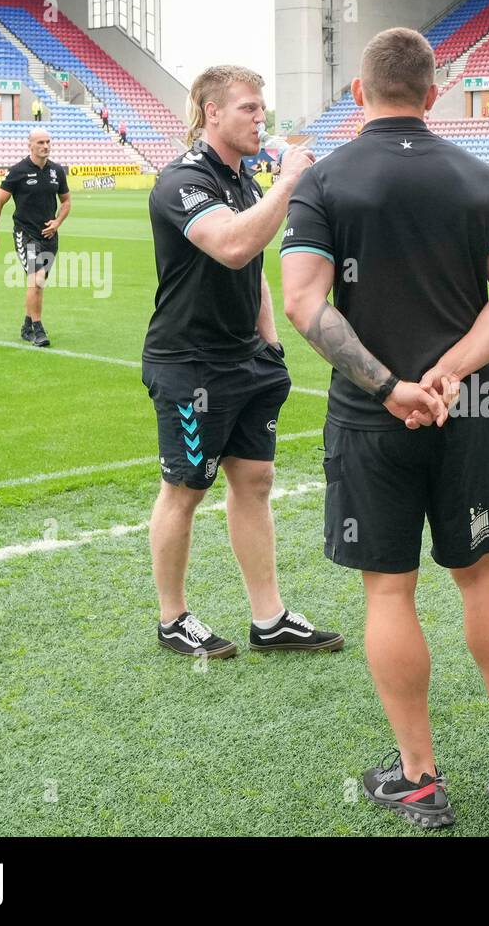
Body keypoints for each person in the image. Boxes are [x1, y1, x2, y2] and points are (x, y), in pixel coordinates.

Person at [280, 27, 489, 829]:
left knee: (389, 589)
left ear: (360, 95)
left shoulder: (326, 180)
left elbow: (306, 304)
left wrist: (394, 385)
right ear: (435, 94)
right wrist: (454, 371)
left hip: (374, 417)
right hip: (464, 411)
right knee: (481, 572)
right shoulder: (481, 178)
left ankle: (419, 778)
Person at [143, 64, 344, 660]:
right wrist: (288, 183)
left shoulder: (247, 184)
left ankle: (270, 618)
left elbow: (253, 267)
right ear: (212, 113)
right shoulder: (182, 179)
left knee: (255, 481)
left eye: (263, 109)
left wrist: (269, 340)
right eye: (249, 109)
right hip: (189, 364)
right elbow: (231, 245)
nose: (263, 119)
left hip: (247, 360)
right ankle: (172, 617)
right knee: (185, 488)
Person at [0, 129, 70, 347]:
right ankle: (39, 330)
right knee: (37, 279)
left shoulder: (57, 171)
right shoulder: (17, 171)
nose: (46, 146)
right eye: (41, 142)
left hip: (50, 236)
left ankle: (26, 326)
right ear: (30, 145)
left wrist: (57, 222)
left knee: (38, 284)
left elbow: (66, 202)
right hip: (26, 234)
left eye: (48, 142)